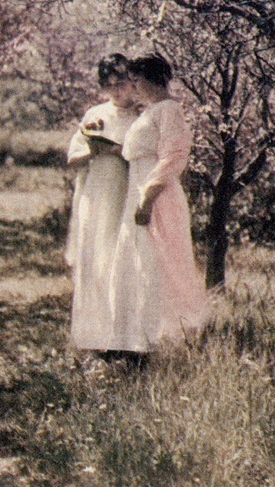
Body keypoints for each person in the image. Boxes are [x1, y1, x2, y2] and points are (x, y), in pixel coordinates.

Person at [108, 53, 209, 354]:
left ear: (154, 80)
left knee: (155, 264)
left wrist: (147, 199)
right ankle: (130, 339)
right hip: (137, 191)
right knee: (135, 263)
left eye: (137, 81)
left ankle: (156, 340)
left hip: (156, 195)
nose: (134, 87)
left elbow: (174, 156)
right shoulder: (149, 113)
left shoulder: (169, 110)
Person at [65, 54, 138, 351]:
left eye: (121, 83)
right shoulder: (95, 114)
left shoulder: (143, 115)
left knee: (123, 261)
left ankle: (124, 339)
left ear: (132, 82)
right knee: (96, 258)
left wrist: (122, 151)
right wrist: (94, 151)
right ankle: (94, 337)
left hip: (127, 192)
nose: (116, 91)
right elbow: (73, 158)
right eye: (109, 85)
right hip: (96, 194)